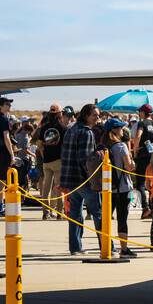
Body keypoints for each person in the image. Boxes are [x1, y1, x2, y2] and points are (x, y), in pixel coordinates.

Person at [60, 104, 103, 255]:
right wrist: (93, 180)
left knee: (75, 214)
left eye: (98, 115)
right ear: (86, 116)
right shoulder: (86, 132)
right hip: (84, 180)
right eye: (94, 115)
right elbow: (86, 160)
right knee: (98, 213)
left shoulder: (71, 129)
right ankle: (106, 247)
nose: (97, 118)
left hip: (70, 180)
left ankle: (75, 247)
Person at [101, 118, 138, 257]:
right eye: (121, 128)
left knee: (106, 218)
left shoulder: (103, 145)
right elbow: (129, 167)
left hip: (107, 188)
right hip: (123, 187)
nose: (123, 130)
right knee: (122, 218)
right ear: (115, 130)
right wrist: (133, 161)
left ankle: (106, 246)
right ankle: (124, 249)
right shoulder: (121, 146)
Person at [32, 104, 66, 220]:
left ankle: (45, 213)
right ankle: (59, 213)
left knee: (46, 188)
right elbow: (65, 146)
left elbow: (39, 145)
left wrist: (44, 155)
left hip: (46, 161)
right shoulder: (63, 128)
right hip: (58, 161)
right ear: (59, 114)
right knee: (58, 188)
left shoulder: (44, 127)